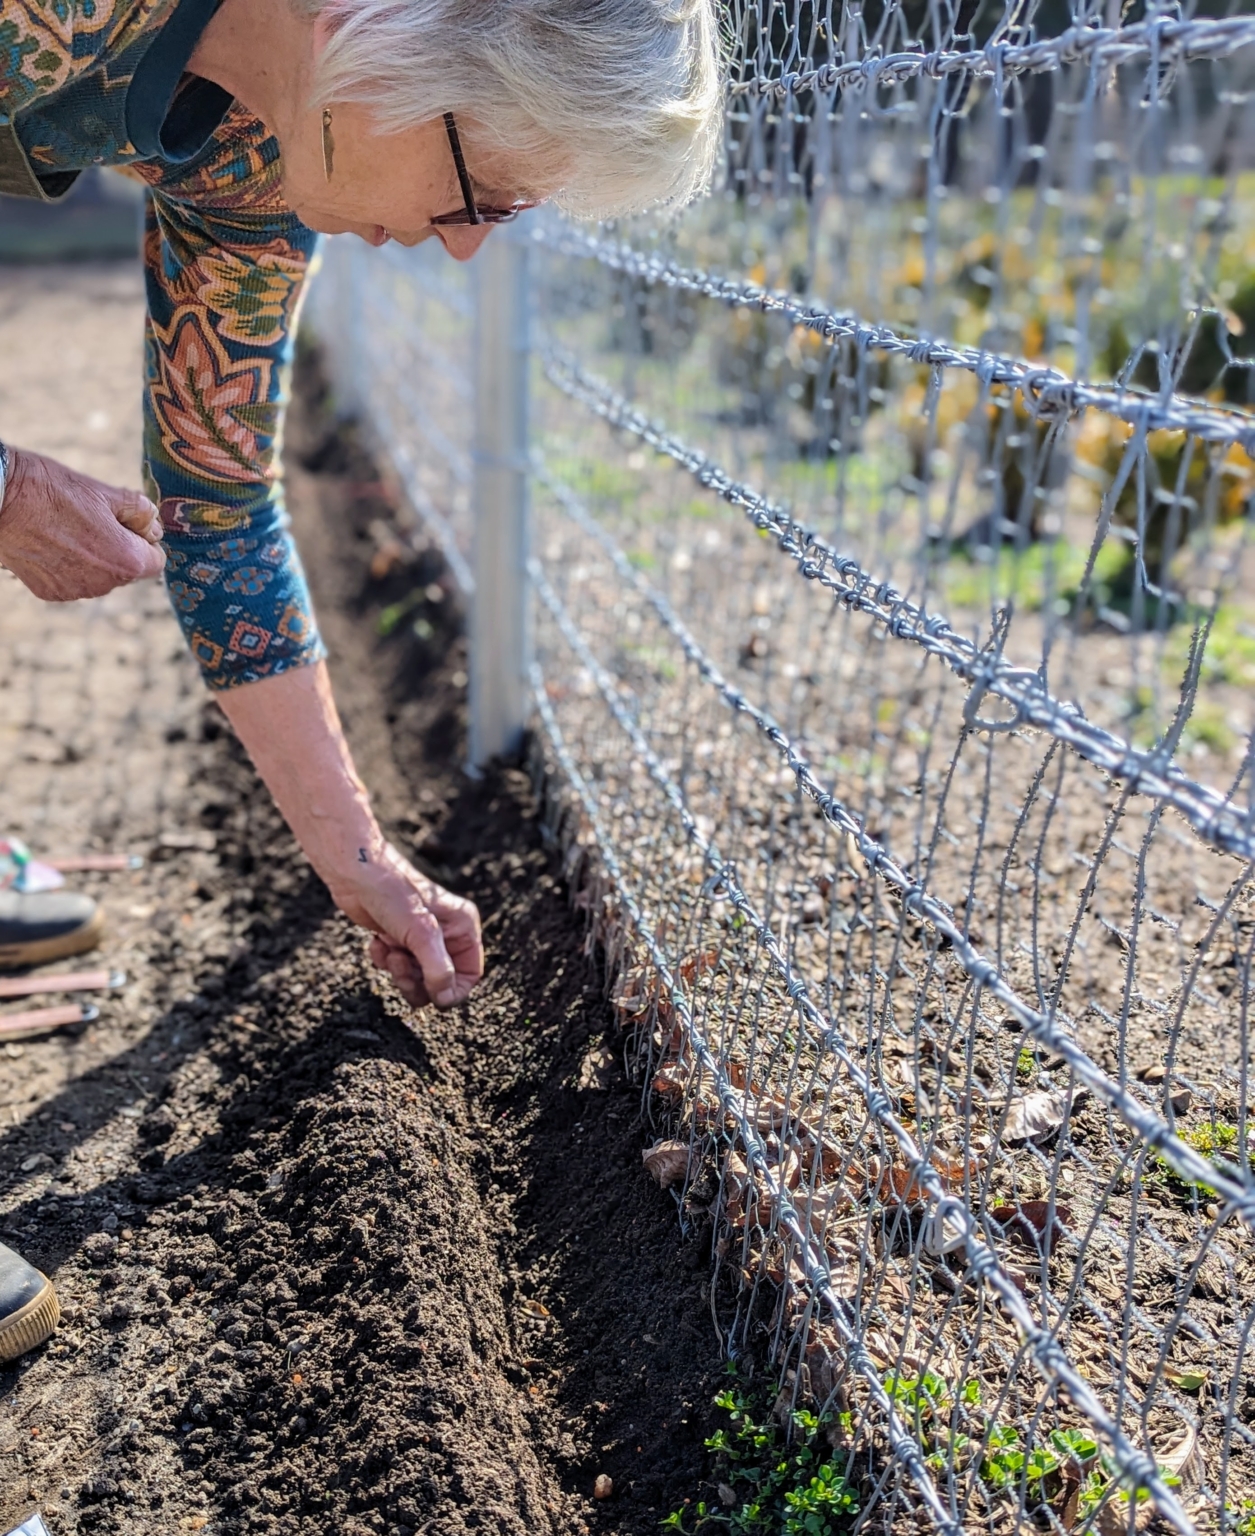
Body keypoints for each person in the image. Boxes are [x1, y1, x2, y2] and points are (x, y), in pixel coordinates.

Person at [0, 0, 721, 1362]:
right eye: (480, 193)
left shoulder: (258, 158)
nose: (460, 247)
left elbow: (217, 510)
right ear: (403, 36)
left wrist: (361, 861)